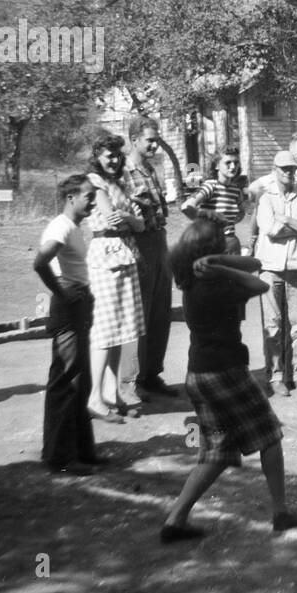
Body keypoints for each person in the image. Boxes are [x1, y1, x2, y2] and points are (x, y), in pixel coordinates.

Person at [161, 217, 297, 543]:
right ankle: (280, 512)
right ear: (210, 251)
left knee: (217, 453)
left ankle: (175, 519)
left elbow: (255, 262)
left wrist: (216, 261)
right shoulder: (215, 285)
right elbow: (260, 282)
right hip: (225, 373)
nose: (229, 241)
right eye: (221, 242)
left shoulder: (189, 279)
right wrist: (223, 267)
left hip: (198, 375)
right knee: (269, 435)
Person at [32, 175, 105, 475]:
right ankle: (60, 457)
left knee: (81, 380)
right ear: (71, 197)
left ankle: (82, 450)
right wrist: (62, 292)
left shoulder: (76, 227)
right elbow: (40, 262)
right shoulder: (60, 226)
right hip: (68, 303)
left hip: (79, 301)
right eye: (89, 196)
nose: (93, 202)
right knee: (67, 381)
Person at [85, 135, 146, 422]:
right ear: (97, 156)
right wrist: (130, 217)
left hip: (126, 253)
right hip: (106, 253)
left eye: (117, 155)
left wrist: (131, 218)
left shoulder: (119, 184)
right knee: (105, 329)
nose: (114, 160)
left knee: (120, 330)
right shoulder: (94, 182)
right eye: (108, 155)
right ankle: (95, 397)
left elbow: (140, 222)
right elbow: (111, 218)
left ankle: (111, 394)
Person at [255, 151, 297, 396]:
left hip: (295, 266)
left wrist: (286, 219)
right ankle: (276, 376)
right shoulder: (266, 199)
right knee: (272, 325)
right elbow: (270, 230)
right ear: (275, 170)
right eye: (284, 169)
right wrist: (296, 227)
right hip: (270, 267)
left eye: (292, 169)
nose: (288, 173)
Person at [125, 116, 176, 403]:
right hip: (139, 244)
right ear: (134, 140)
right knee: (139, 314)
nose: (155, 145)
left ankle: (152, 374)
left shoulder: (151, 169)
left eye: (156, 140)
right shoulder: (124, 172)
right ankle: (132, 381)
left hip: (159, 241)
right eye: (150, 140)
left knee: (160, 310)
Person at [180, 147, 249, 254]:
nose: (233, 166)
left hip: (231, 244)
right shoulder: (211, 186)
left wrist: (227, 223)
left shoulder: (236, 190)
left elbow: (241, 212)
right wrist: (205, 225)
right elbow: (186, 207)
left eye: (236, 162)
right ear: (217, 165)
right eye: (228, 163)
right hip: (213, 244)